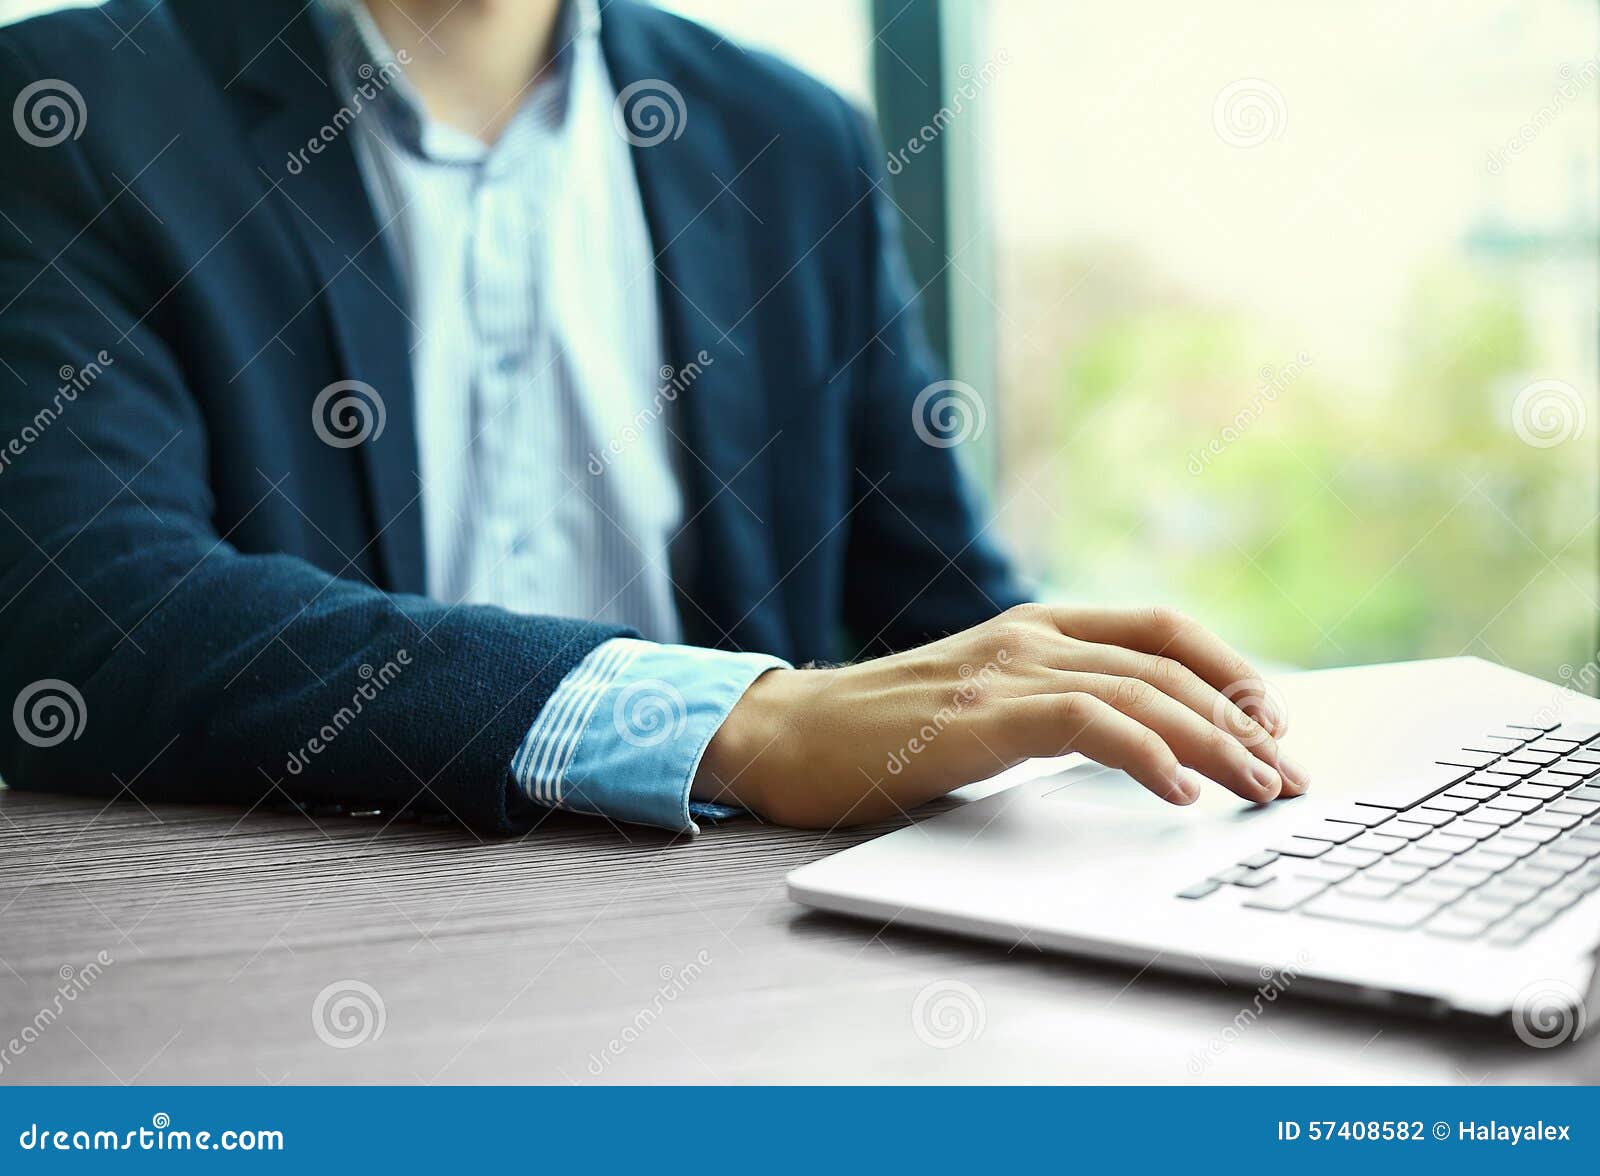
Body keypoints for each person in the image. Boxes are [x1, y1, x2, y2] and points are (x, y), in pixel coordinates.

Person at [0, 0, 1308, 837]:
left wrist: (1154, 743)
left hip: (733, 964)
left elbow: (938, 607)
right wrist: (749, 725)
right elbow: (89, 612)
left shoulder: (791, 142)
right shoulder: (74, 108)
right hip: (287, 953)